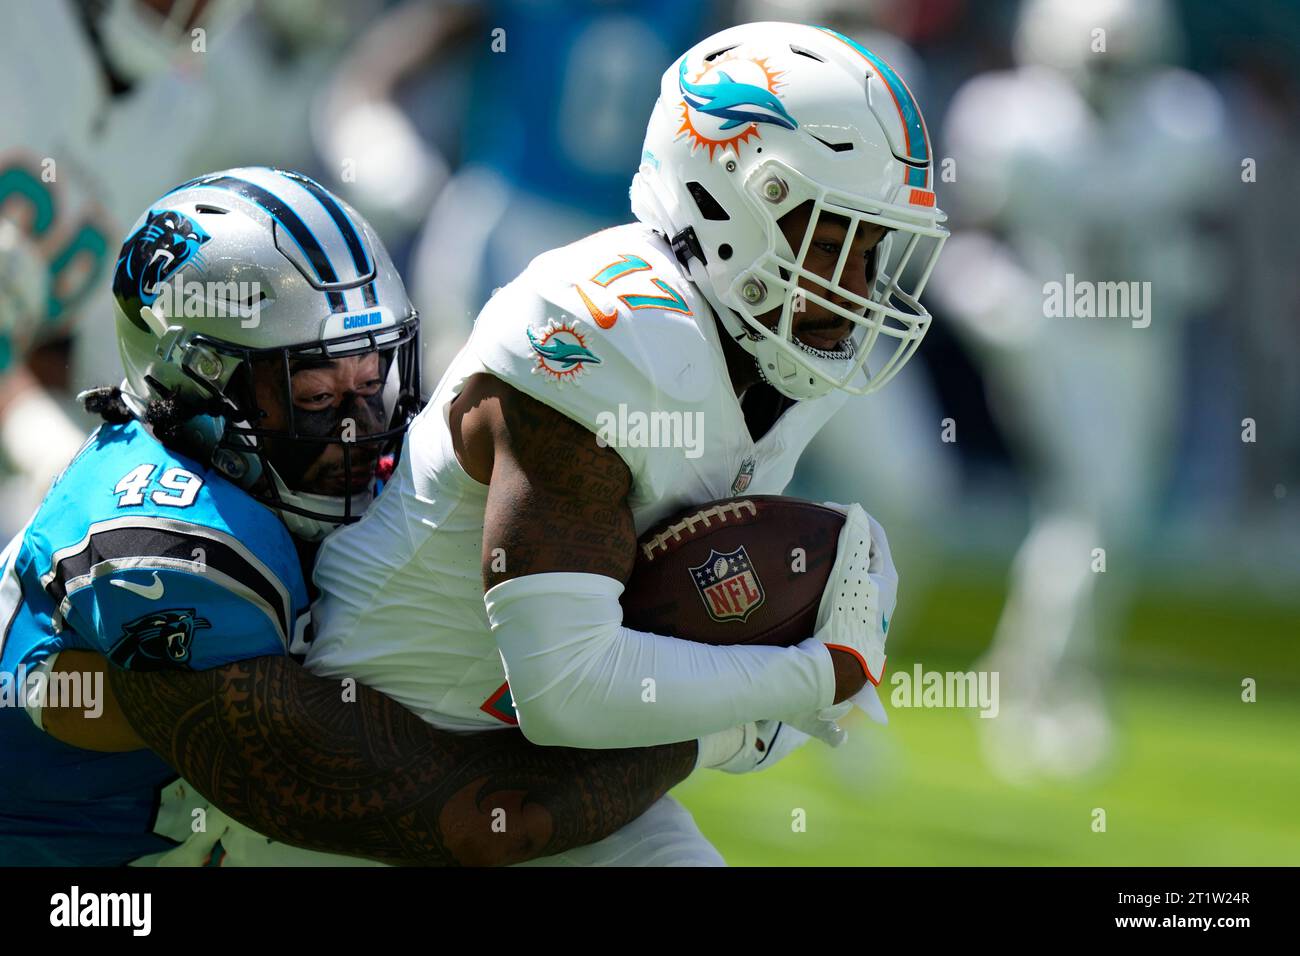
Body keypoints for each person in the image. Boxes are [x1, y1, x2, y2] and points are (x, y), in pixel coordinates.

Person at [156, 21, 949, 865]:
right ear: (727, 204)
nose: (858, 290)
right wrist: (807, 681)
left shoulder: (773, 345)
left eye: (873, 250)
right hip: (376, 765)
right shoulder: (605, 329)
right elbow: (567, 687)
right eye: (832, 245)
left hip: (544, 773)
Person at [0, 166, 760, 866]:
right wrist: (723, 716)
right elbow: (460, 814)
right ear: (195, 381)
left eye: (376, 377)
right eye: (318, 398)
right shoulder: (163, 549)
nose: (364, 427)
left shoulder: (321, 467)